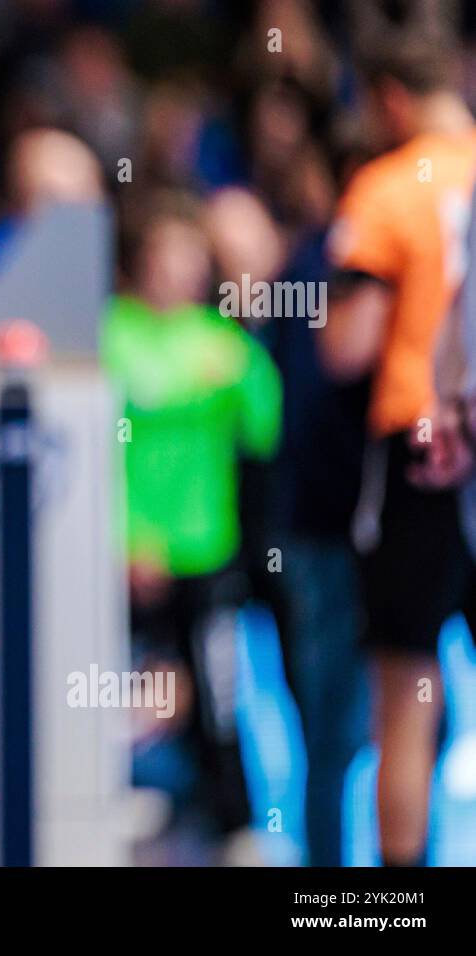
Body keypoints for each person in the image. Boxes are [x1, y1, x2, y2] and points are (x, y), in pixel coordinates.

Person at [319, 36, 476, 867]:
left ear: (387, 100)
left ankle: (399, 903)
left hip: (421, 446)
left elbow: (349, 345)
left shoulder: (387, 187)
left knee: (407, 695)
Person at [102, 189, 282, 861]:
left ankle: (235, 822)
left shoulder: (224, 342)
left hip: (208, 547)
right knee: (110, 685)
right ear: (139, 262)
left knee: (218, 691)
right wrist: (127, 536)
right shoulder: (108, 334)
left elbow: (266, 431)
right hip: (126, 548)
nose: (177, 270)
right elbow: (96, 450)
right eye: (164, 256)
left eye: (190, 257)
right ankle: (106, 801)